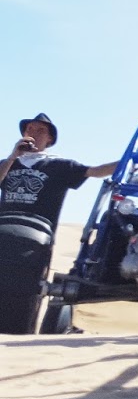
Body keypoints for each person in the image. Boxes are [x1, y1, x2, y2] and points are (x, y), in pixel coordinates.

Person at [0, 113, 117, 333]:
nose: (33, 133)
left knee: (25, 290)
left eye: (40, 130)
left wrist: (124, 162)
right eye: (30, 129)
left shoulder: (59, 166)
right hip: (3, 232)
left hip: (35, 239)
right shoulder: (8, 163)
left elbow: (94, 171)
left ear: (50, 139)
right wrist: (13, 156)